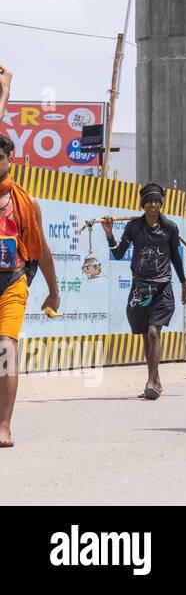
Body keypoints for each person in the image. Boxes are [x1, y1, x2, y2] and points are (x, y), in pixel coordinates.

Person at [101, 183, 186, 399]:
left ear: (161, 204)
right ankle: (156, 380)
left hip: (162, 288)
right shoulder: (133, 227)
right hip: (140, 289)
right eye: (149, 201)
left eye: (156, 201)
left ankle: (150, 382)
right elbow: (118, 253)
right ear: (143, 204)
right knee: (145, 336)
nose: (153, 205)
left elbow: (176, 258)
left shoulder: (170, 228)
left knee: (153, 333)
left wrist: (183, 283)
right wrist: (109, 234)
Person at [0, 132, 60, 447]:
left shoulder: (27, 203)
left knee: (6, 347)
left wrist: (54, 290)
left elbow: (41, 250)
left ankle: (4, 425)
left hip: (12, 282)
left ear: (11, 160)